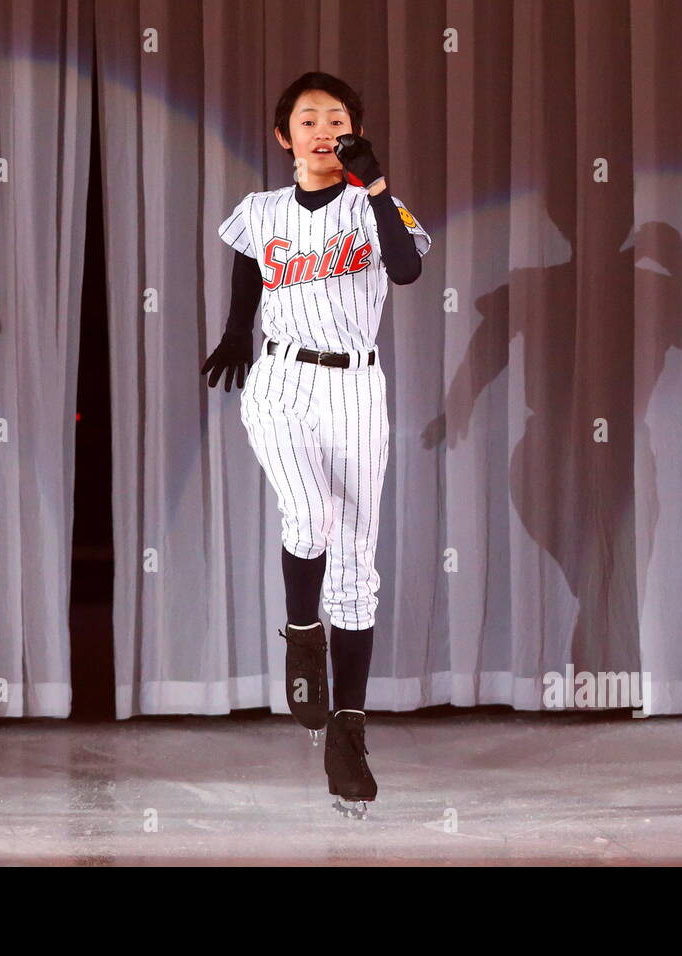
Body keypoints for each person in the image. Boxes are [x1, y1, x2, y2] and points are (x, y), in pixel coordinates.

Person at [201, 72, 430, 817]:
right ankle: (303, 633)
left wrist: (377, 187)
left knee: (356, 565)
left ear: (354, 133)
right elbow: (248, 259)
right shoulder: (262, 209)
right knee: (309, 519)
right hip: (284, 382)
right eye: (308, 119)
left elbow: (406, 267)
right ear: (284, 136)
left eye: (337, 118)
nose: (323, 128)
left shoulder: (377, 207)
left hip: (358, 388)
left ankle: (349, 732)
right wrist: (238, 329)